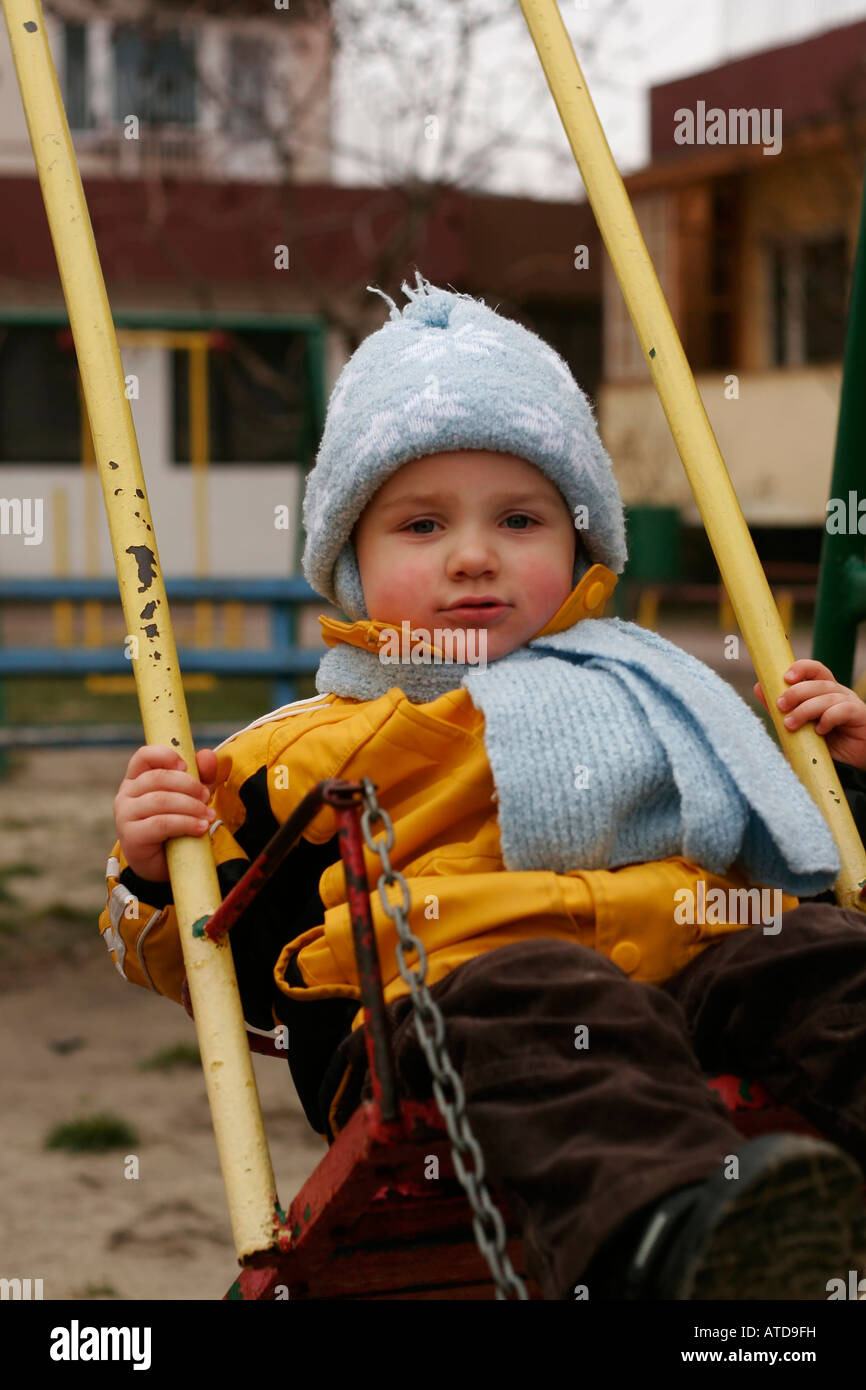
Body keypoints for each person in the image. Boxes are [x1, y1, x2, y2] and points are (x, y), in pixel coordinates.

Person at [100, 271, 866, 1301]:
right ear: (353, 567)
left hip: (682, 960)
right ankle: (673, 1240)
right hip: (446, 1009)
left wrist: (843, 782)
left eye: (518, 521)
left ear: (579, 543)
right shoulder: (305, 744)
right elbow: (194, 949)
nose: (472, 558)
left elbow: (782, 849)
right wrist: (154, 868)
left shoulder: (656, 686)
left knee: (811, 952)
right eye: (420, 526)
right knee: (541, 994)